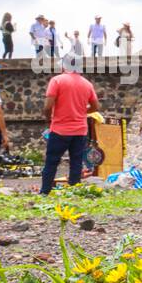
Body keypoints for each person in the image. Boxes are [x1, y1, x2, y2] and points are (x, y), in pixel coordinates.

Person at [39, 60, 99, 195]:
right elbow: (96, 106)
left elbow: (48, 106)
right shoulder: (87, 84)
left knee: (52, 161)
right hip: (80, 130)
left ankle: (45, 192)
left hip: (60, 129)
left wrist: (49, 118)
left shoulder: (57, 81)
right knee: (76, 162)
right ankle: (74, 191)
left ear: (63, 67)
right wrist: (83, 112)